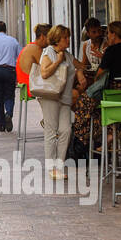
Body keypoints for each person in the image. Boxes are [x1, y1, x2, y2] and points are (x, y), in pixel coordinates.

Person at [71, 21, 121, 160]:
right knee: (109, 112)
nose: (107, 36)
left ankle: (84, 142)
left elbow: (99, 75)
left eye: (108, 33)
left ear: (114, 34)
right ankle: (109, 134)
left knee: (83, 105)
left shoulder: (111, 50)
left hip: (112, 95)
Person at [36, 25, 76, 179]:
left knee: (66, 130)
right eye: (65, 37)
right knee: (51, 131)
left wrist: (80, 72)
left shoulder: (67, 54)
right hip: (51, 97)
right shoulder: (49, 52)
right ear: (57, 39)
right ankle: (52, 168)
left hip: (65, 98)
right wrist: (58, 61)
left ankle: (59, 165)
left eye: (68, 37)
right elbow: (44, 73)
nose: (68, 40)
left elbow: (78, 66)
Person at [71, 17, 106, 102]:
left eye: (99, 31)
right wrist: (80, 73)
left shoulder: (106, 44)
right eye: (94, 32)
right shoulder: (86, 45)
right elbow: (83, 65)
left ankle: (82, 103)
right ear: (88, 33)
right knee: (73, 77)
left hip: (102, 75)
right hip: (91, 74)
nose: (98, 34)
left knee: (82, 89)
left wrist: (103, 57)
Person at [16, 24, 51, 99]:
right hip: (31, 86)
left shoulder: (30, 46)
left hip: (25, 84)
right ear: (42, 36)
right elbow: (46, 68)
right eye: (50, 38)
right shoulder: (36, 49)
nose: (51, 42)